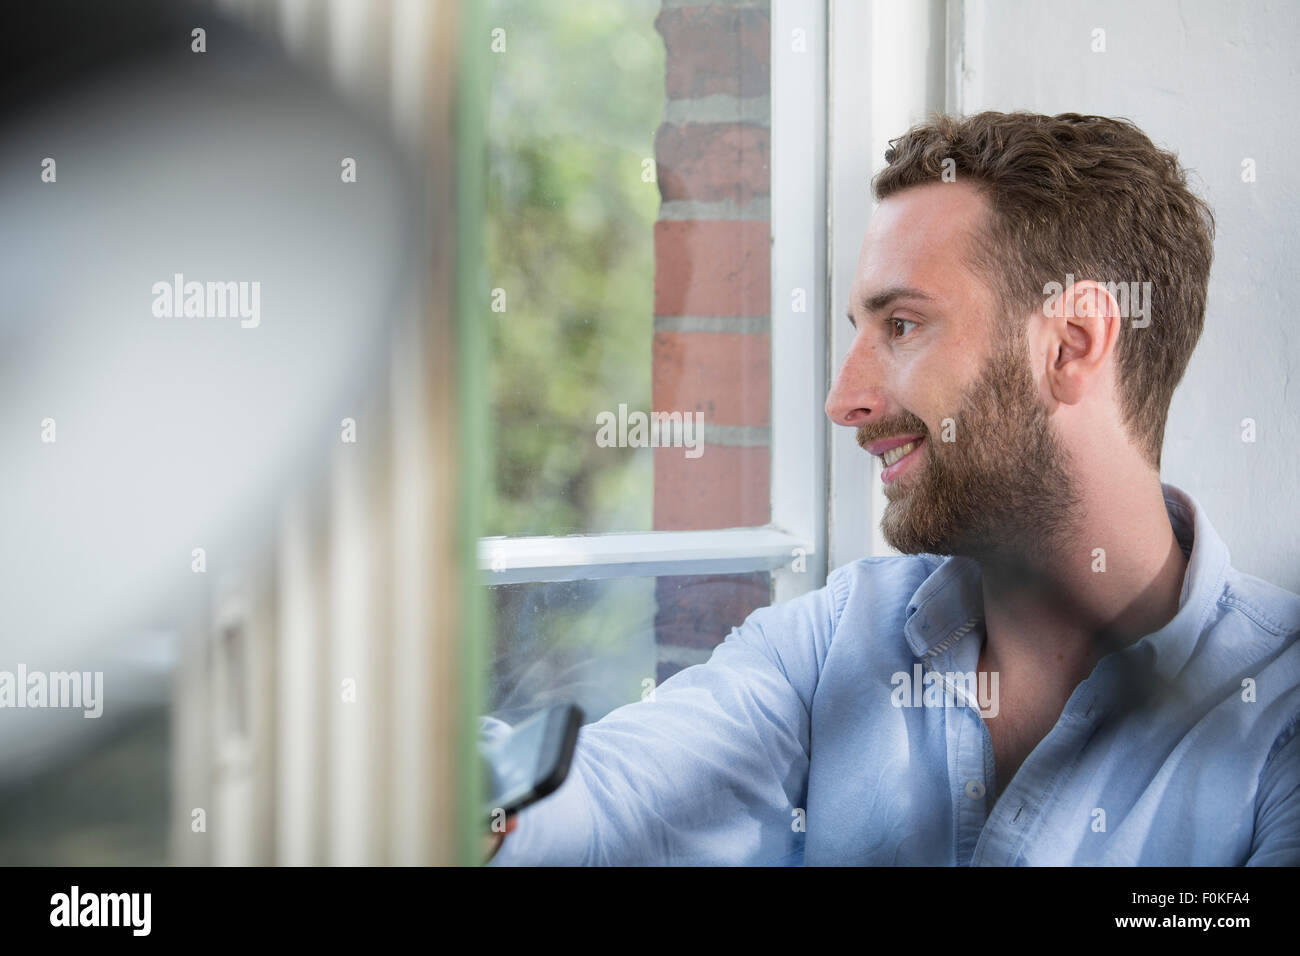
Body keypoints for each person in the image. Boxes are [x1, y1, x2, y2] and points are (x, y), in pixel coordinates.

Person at [485, 111, 1300, 865]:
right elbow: (601, 806)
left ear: (1072, 344)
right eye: (858, 333)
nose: (844, 402)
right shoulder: (830, 648)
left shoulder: (1279, 709)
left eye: (901, 326)